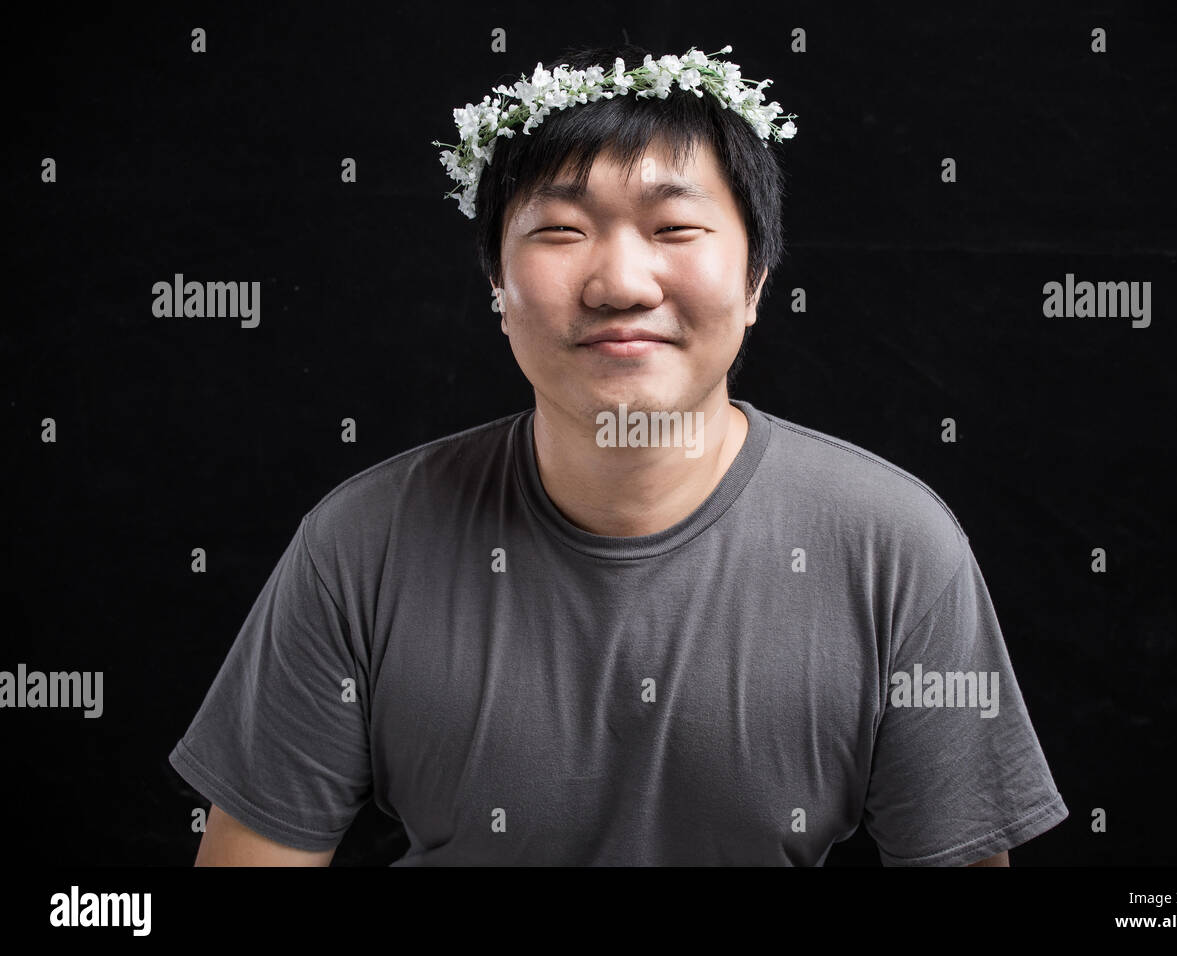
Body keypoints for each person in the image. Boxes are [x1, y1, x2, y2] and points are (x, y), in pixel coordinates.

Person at [169, 42, 1068, 866]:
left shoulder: (896, 547)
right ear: (497, 285)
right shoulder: (359, 543)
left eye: (675, 230)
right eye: (561, 231)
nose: (621, 284)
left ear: (755, 281)